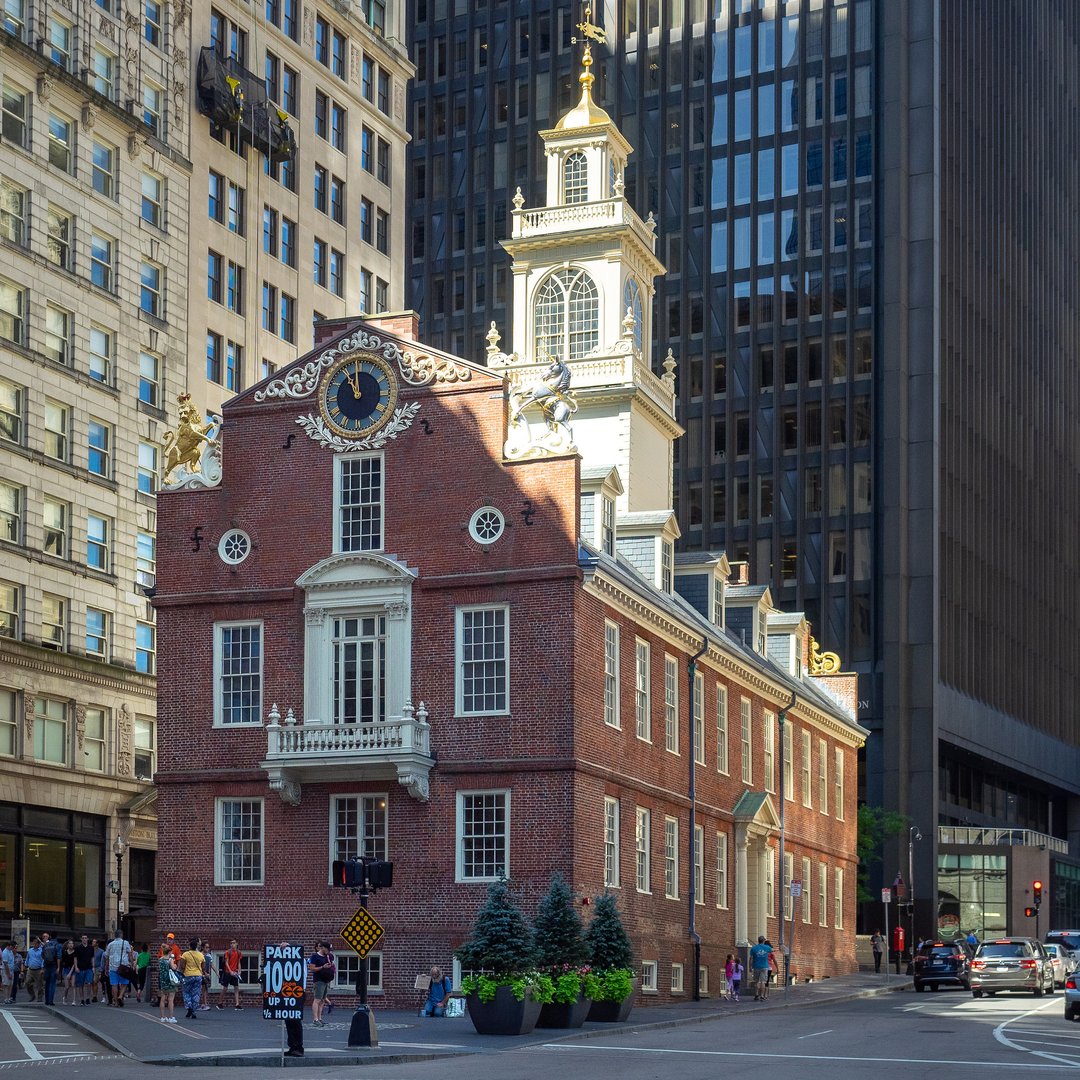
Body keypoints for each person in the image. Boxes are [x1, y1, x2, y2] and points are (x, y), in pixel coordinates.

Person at [281, 941, 304, 1057]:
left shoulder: (299, 961)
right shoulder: (289, 962)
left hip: (297, 993)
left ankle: (298, 1047)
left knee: (294, 1021)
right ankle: (293, 1046)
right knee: (289, 1021)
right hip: (289, 992)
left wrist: (288, 947)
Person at [307, 941, 334, 1027]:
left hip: (325, 980)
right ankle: (315, 1019)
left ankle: (319, 1018)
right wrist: (322, 967)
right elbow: (312, 968)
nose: (328, 951)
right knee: (317, 1000)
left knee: (322, 1000)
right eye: (328, 949)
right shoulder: (315, 956)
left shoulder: (327, 956)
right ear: (323, 948)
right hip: (318, 980)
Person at [104, 930, 132, 1007]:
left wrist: (106, 968)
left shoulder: (110, 944)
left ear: (115, 935)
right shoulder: (125, 943)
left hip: (112, 967)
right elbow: (130, 955)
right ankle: (120, 996)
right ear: (121, 935)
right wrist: (132, 964)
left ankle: (116, 1002)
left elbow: (107, 957)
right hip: (123, 966)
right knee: (125, 983)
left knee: (114, 985)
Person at [179, 938, 205, 1020]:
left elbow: (182, 966)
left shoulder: (185, 954)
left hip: (188, 975)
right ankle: (194, 1011)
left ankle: (189, 1006)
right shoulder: (201, 955)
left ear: (189, 946)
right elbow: (203, 966)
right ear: (196, 946)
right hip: (198, 975)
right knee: (196, 993)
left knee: (186, 992)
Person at [157, 938, 180, 1024]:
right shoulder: (170, 960)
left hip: (163, 980)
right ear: (169, 952)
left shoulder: (160, 960)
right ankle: (171, 1017)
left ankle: (162, 1017)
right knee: (171, 999)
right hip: (170, 981)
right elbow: (174, 968)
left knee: (163, 998)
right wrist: (174, 964)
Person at [218, 939, 242, 1010]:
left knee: (236, 988)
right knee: (225, 988)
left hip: (234, 973)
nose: (232, 945)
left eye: (234, 943)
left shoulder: (239, 952)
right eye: (231, 943)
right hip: (227, 972)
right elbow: (226, 963)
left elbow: (238, 962)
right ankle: (219, 1003)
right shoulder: (228, 952)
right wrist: (230, 971)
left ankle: (237, 1004)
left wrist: (239, 970)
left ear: (237, 944)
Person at [749, 935, 773, 1002]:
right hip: (764, 966)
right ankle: (762, 996)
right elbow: (772, 950)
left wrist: (750, 967)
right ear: (763, 941)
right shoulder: (767, 947)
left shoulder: (753, 948)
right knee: (763, 982)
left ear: (758, 940)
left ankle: (756, 995)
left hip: (756, 966)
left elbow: (751, 959)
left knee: (756, 981)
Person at [73, 934, 95, 1006]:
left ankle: (88, 998)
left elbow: (92, 957)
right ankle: (82, 999)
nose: (84, 939)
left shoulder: (91, 948)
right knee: (80, 984)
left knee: (89, 983)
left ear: (87, 939)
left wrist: (93, 967)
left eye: (85, 938)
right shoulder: (77, 948)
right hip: (80, 968)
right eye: (83, 938)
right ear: (81, 939)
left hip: (89, 968)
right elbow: (75, 958)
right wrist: (76, 967)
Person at [41, 932, 60, 1006]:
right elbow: (58, 956)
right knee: (52, 983)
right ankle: (50, 1000)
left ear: (50, 937)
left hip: (46, 965)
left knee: (47, 983)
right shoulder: (57, 945)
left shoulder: (46, 944)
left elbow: (42, 955)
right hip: (53, 965)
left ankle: (46, 1000)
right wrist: (58, 967)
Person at [24, 937, 44, 1002]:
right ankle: (32, 995)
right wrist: (25, 965)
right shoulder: (30, 950)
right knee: (27, 982)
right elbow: (27, 958)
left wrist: (42, 968)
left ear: (39, 944)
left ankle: (40, 997)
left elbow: (43, 960)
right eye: (33, 943)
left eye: (36, 944)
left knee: (39, 984)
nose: (34, 945)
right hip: (30, 969)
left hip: (38, 970)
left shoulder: (42, 950)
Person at [60, 940, 77, 1004]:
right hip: (66, 969)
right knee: (67, 986)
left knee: (73, 984)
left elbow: (74, 963)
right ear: (67, 945)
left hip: (73, 969)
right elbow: (63, 962)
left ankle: (74, 1000)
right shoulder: (64, 952)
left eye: (72, 943)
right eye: (69, 943)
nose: (71, 945)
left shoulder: (75, 952)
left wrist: (70, 972)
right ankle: (65, 997)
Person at [199, 941, 214, 1010]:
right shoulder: (200, 955)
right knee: (202, 989)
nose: (208, 949)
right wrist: (205, 973)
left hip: (206, 975)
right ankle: (203, 1004)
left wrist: (217, 973)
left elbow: (211, 965)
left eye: (208, 947)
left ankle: (204, 1004)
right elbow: (200, 966)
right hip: (200, 974)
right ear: (202, 947)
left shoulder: (209, 955)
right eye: (206, 947)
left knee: (205, 989)